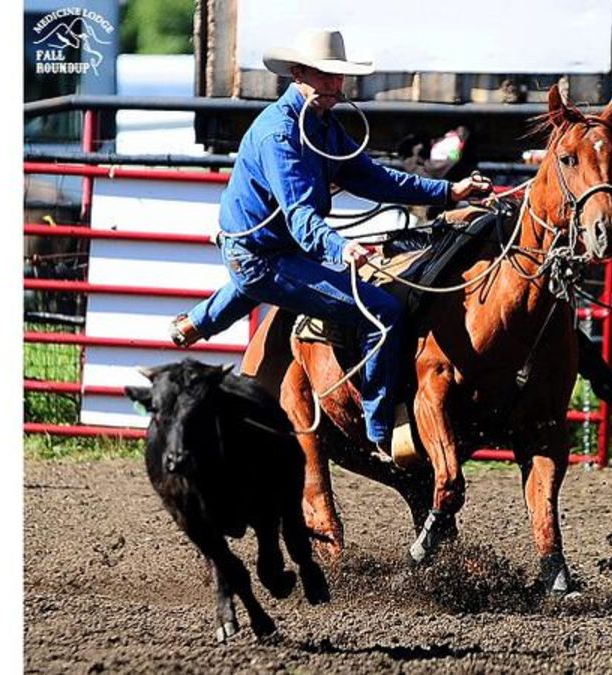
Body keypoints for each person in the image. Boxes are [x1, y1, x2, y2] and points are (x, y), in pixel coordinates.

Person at [169, 29, 491, 452]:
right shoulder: (281, 136)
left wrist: (448, 192)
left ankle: (198, 321)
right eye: (325, 75)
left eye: (338, 77)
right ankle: (381, 432)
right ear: (298, 74)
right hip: (265, 256)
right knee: (381, 311)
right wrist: (340, 248)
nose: (335, 85)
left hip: (271, 249)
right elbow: (300, 215)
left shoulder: (320, 123)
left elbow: (371, 177)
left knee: (276, 281)